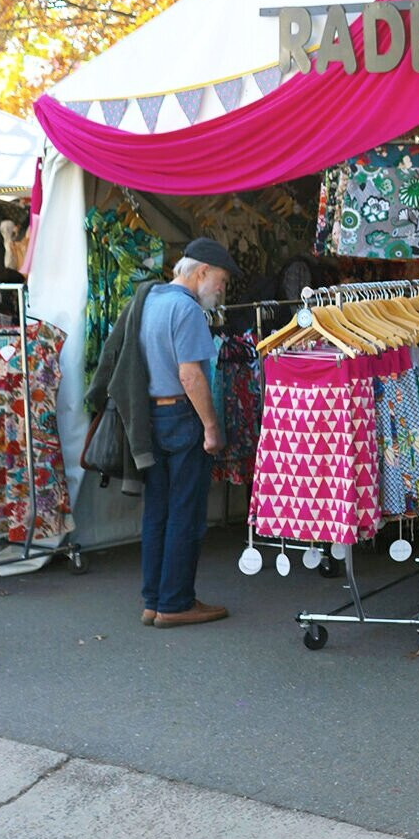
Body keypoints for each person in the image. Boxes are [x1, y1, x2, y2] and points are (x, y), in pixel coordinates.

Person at [137, 237, 237, 628]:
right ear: (202, 272)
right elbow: (190, 375)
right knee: (185, 512)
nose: (221, 290)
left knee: (158, 511)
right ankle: (176, 603)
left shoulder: (151, 300)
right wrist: (211, 427)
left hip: (152, 415)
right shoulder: (187, 309)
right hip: (182, 415)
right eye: (221, 281)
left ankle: (154, 600)